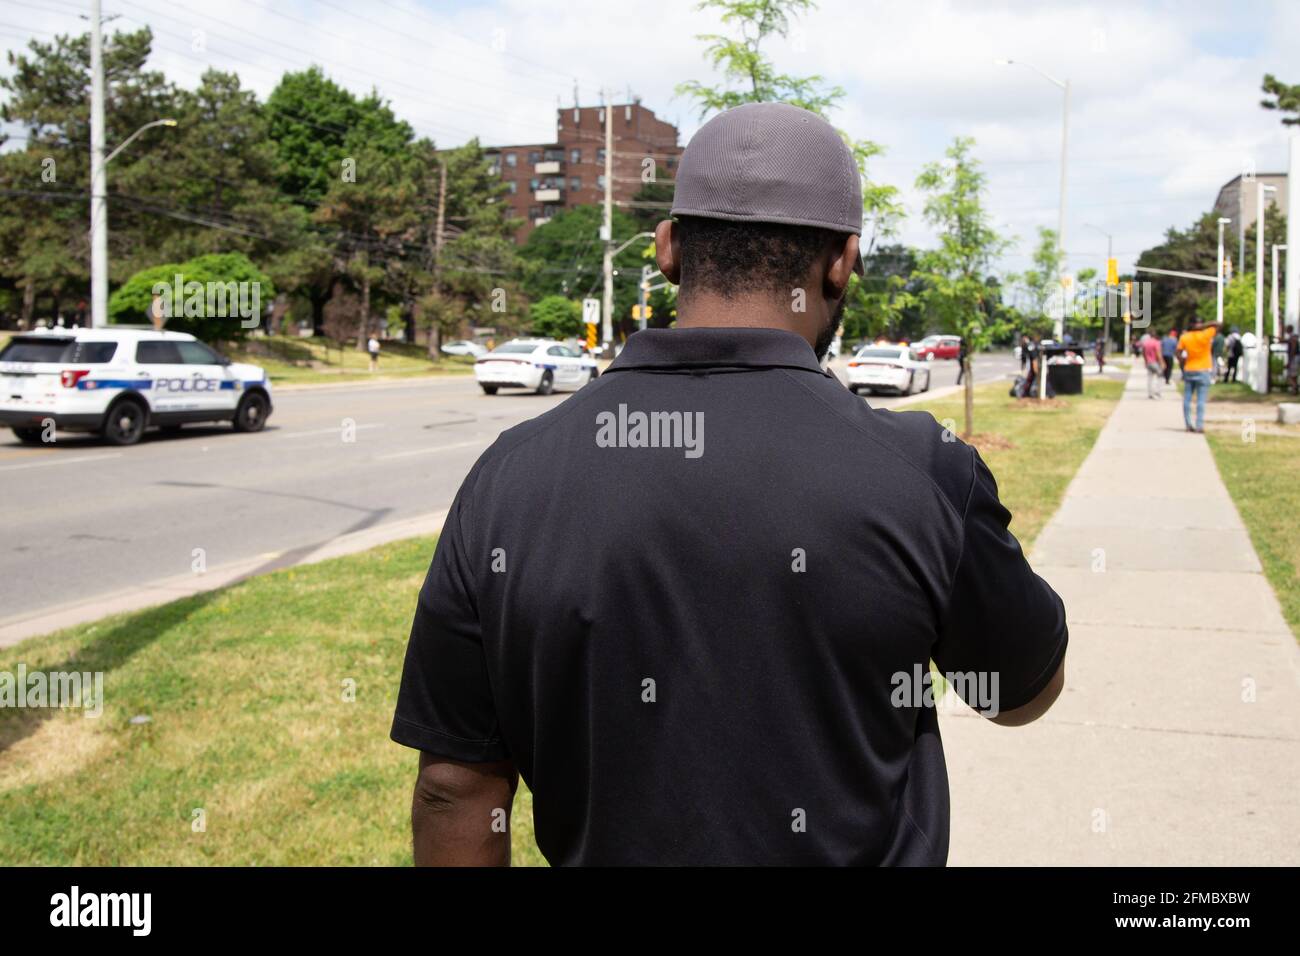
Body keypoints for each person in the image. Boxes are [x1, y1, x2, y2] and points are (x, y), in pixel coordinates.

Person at [391, 103, 1067, 867]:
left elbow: (455, 788)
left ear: (669, 248)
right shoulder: (927, 471)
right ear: (843, 261)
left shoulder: (509, 477)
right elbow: (1020, 694)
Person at [1177, 319, 1219, 433]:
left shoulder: (1185, 337)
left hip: (1189, 368)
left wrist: (1183, 362)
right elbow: (1218, 324)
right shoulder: (1206, 334)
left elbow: (1178, 352)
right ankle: (1199, 425)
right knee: (1201, 400)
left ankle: (1188, 424)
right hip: (1203, 369)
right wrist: (1202, 326)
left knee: (1187, 399)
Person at [1140, 330, 1164, 399]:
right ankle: (1158, 391)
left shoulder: (1145, 343)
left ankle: (1150, 393)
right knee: (1160, 376)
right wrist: (1162, 362)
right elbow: (1158, 353)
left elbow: (1143, 353)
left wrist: (1145, 361)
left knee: (1150, 378)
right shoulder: (1156, 342)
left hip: (1148, 362)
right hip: (1155, 362)